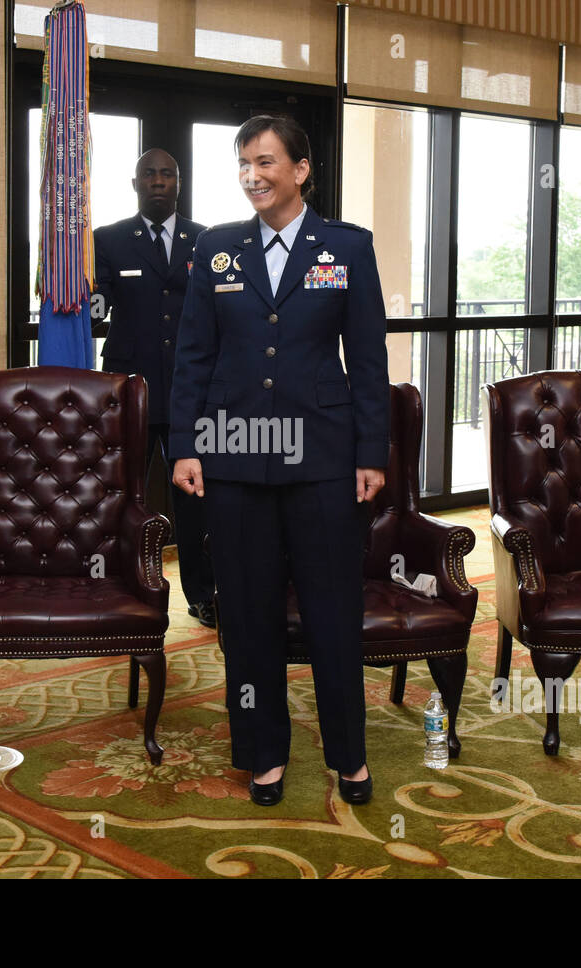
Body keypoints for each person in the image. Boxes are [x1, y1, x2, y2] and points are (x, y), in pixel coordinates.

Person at [169, 115, 389, 806]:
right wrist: (186, 444)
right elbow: (194, 357)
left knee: (331, 613)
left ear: (300, 170)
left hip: (322, 459)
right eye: (243, 163)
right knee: (248, 615)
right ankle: (262, 752)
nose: (252, 175)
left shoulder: (347, 247)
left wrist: (370, 452)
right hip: (235, 460)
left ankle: (348, 754)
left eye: (265, 161)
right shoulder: (218, 248)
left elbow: (369, 359)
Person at [94, 149, 216, 627]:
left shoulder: (205, 239)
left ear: (179, 183)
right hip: (129, 391)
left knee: (194, 499)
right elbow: (99, 295)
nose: (159, 181)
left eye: (168, 174)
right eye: (151, 173)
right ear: (135, 182)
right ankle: (117, 590)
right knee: (121, 496)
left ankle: (204, 594)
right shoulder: (107, 239)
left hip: (190, 391)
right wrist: (80, 298)